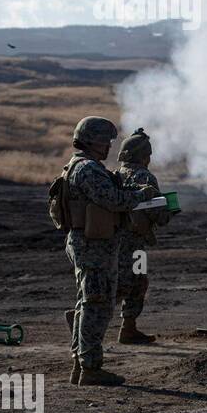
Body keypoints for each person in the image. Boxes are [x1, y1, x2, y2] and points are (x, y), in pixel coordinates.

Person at [56, 117, 155, 385]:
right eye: (105, 141)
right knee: (96, 306)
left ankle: (82, 365)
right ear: (91, 140)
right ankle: (90, 367)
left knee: (88, 303)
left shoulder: (81, 166)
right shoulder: (88, 169)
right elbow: (114, 201)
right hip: (93, 247)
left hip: (89, 244)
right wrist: (142, 195)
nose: (109, 146)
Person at [114, 128, 170, 345]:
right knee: (134, 283)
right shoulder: (145, 177)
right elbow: (158, 213)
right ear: (145, 156)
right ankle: (124, 326)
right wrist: (167, 211)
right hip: (135, 244)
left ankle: (128, 329)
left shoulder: (116, 175)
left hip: (115, 240)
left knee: (127, 282)